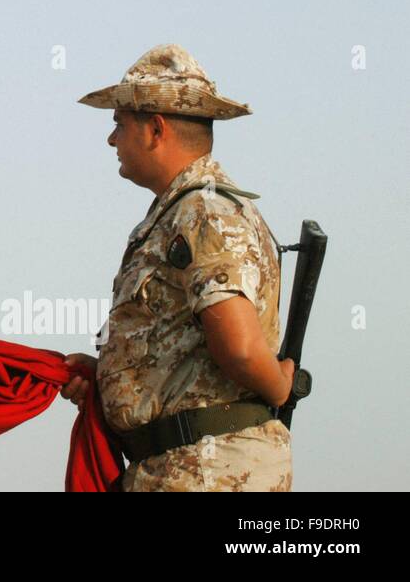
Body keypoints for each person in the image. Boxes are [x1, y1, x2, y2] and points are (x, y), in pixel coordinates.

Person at [59, 44, 293, 491]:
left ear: (155, 129)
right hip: (175, 467)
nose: (111, 140)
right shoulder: (178, 214)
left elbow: (240, 348)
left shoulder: (205, 212)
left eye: (119, 125)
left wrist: (281, 388)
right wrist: (110, 377)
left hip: (208, 471)